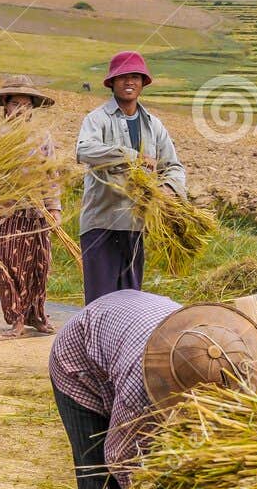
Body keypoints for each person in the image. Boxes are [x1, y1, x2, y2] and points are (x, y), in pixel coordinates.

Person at [48, 290, 257, 489]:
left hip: (126, 328)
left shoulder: (232, 356)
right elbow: (121, 460)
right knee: (100, 477)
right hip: (78, 359)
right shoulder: (141, 390)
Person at [76, 51, 186, 304]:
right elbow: (84, 150)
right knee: (100, 301)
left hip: (135, 225)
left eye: (135, 77)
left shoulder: (153, 125)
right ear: (112, 82)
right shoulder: (97, 119)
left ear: (143, 83)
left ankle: (122, 344)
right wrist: (130, 156)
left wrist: (169, 188)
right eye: (123, 77)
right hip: (101, 222)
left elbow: (174, 166)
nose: (129, 82)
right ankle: (96, 343)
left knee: (130, 301)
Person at [0, 75, 61, 337]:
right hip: (5, 213)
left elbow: (51, 175)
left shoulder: (42, 137)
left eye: (26, 104)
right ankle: (16, 319)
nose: (20, 109)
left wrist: (54, 208)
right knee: (9, 264)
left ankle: (37, 316)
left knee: (39, 264)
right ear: (5, 104)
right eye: (15, 103)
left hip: (36, 212)